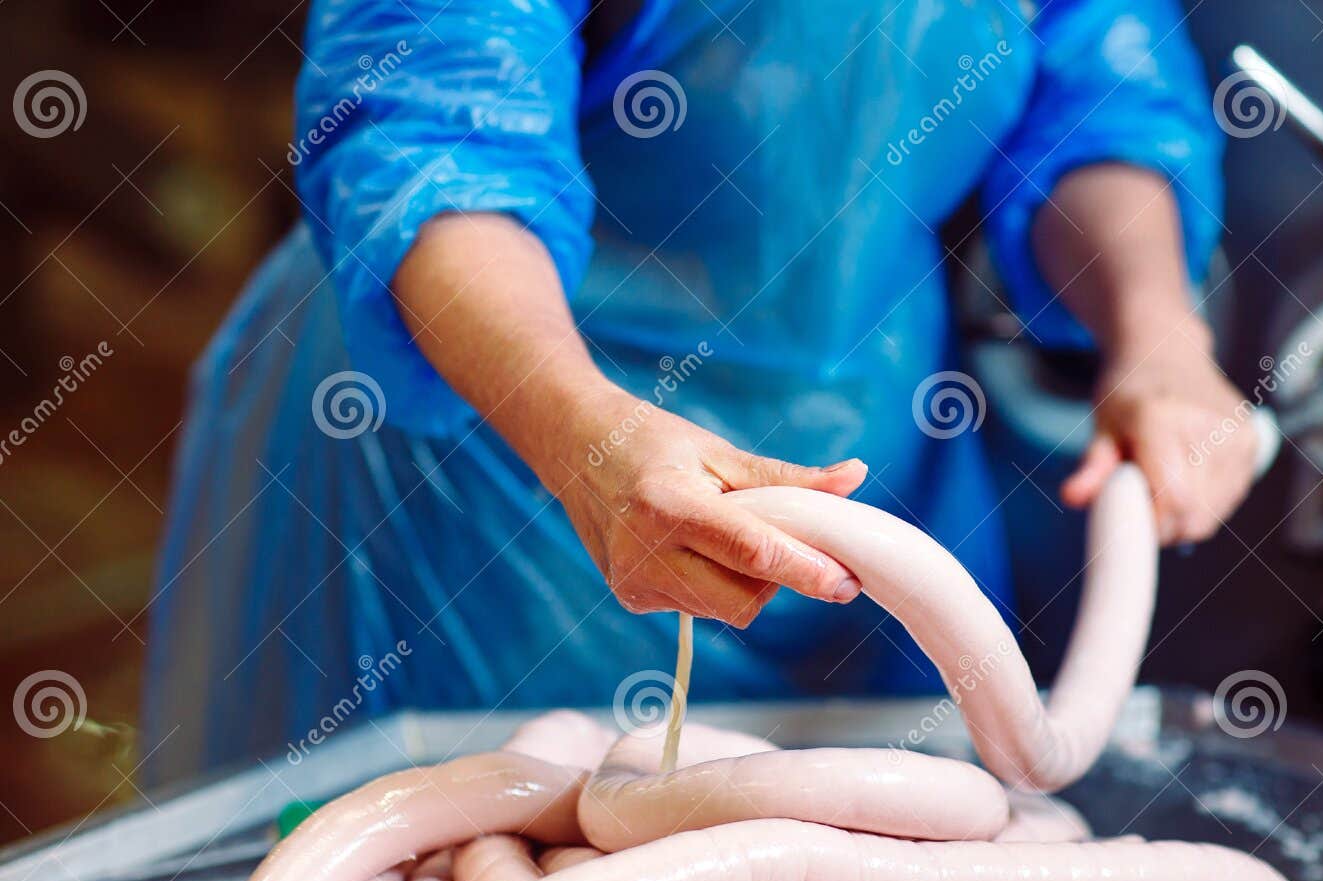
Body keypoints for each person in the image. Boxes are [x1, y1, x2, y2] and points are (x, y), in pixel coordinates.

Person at [142, 0, 1258, 784]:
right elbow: (434, 138)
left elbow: (1095, 96)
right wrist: (580, 432)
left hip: (867, 434)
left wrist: (1156, 331)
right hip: (488, 436)